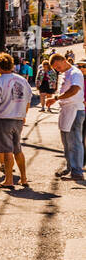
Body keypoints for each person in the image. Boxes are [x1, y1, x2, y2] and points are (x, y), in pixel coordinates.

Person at [0, 53, 33, 188]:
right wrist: (23, 114)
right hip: (18, 118)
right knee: (17, 149)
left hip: (3, 119)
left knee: (7, 150)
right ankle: (23, 178)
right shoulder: (22, 80)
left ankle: (8, 180)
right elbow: (28, 100)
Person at [44, 52, 85, 181]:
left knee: (74, 142)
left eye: (57, 66)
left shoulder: (75, 73)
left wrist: (56, 98)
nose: (57, 69)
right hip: (66, 110)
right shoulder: (64, 74)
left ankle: (77, 171)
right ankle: (70, 167)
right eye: (55, 68)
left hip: (74, 110)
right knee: (67, 143)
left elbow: (74, 89)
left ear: (63, 60)